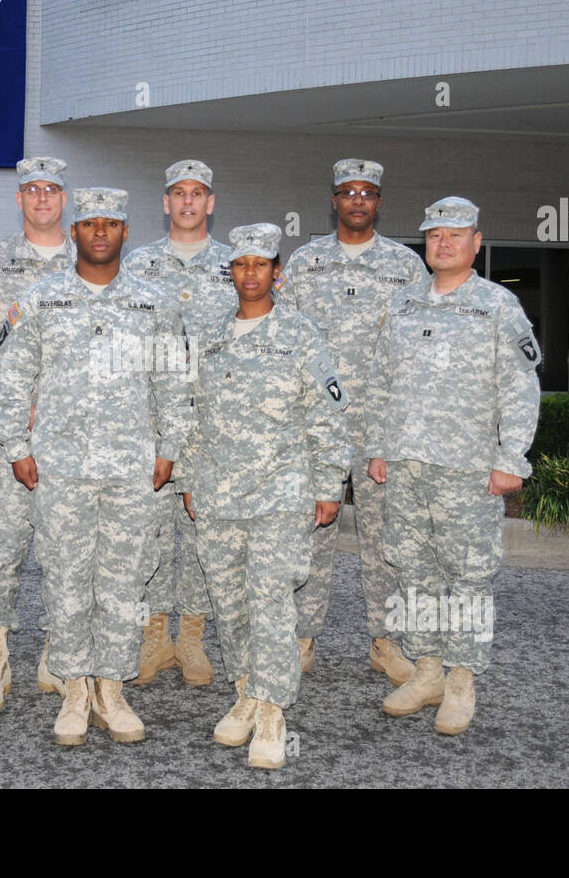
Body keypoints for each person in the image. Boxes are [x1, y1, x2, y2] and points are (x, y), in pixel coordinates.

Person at [0, 187, 191, 746]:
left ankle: (112, 686)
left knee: (125, 582)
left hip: (133, 468)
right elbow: (13, 378)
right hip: (60, 467)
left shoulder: (155, 302)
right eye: (90, 224)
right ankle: (75, 686)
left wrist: (171, 449)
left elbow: (174, 383)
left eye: (111, 224)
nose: (100, 232)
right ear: (75, 233)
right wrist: (15, 447)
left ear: (126, 233)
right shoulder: (39, 298)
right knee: (67, 579)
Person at [177, 222, 351, 769]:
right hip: (218, 491)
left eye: (260, 264)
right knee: (229, 602)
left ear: (276, 272)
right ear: (230, 272)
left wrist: (328, 485)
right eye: (240, 264)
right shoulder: (208, 333)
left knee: (272, 602)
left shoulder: (302, 334)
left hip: (282, 491)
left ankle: (273, 711)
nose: (250, 273)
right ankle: (247, 690)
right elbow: (190, 413)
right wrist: (187, 478)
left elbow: (327, 416)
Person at [364, 197, 541, 735]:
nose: (443, 243)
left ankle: (462, 681)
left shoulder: (498, 306)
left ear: (476, 243)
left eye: (456, 235)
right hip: (407, 465)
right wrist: (377, 446)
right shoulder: (403, 303)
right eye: (435, 234)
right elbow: (380, 379)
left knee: (469, 574)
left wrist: (512, 459)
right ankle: (428, 671)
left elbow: (520, 386)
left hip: (468, 468)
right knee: (414, 571)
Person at [275, 158, 427, 680]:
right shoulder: (304, 262)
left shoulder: (406, 266)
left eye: (367, 192)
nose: (357, 199)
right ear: (334, 201)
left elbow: (420, 349)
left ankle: (386, 642)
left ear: (378, 203)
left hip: (380, 428)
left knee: (384, 537)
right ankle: (300, 639)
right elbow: (281, 336)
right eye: (347, 191)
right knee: (308, 532)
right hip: (313, 427)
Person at [0, 157, 76, 711]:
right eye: (32, 190)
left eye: (52, 189)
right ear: (19, 200)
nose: (43, 198)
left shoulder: (91, 260)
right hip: (8, 437)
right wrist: (20, 404)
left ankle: (58, 656)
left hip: (75, 436)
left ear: (65, 198)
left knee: (65, 549)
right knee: (2, 548)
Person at [121, 159, 235, 687]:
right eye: (178, 194)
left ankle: (191, 640)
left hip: (213, 425)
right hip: (149, 422)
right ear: (165, 203)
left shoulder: (238, 266)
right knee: (149, 534)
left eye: (198, 194)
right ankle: (153, 638)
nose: (188, 202)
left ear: (210, 203)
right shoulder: (135, 266)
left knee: (200, 532)